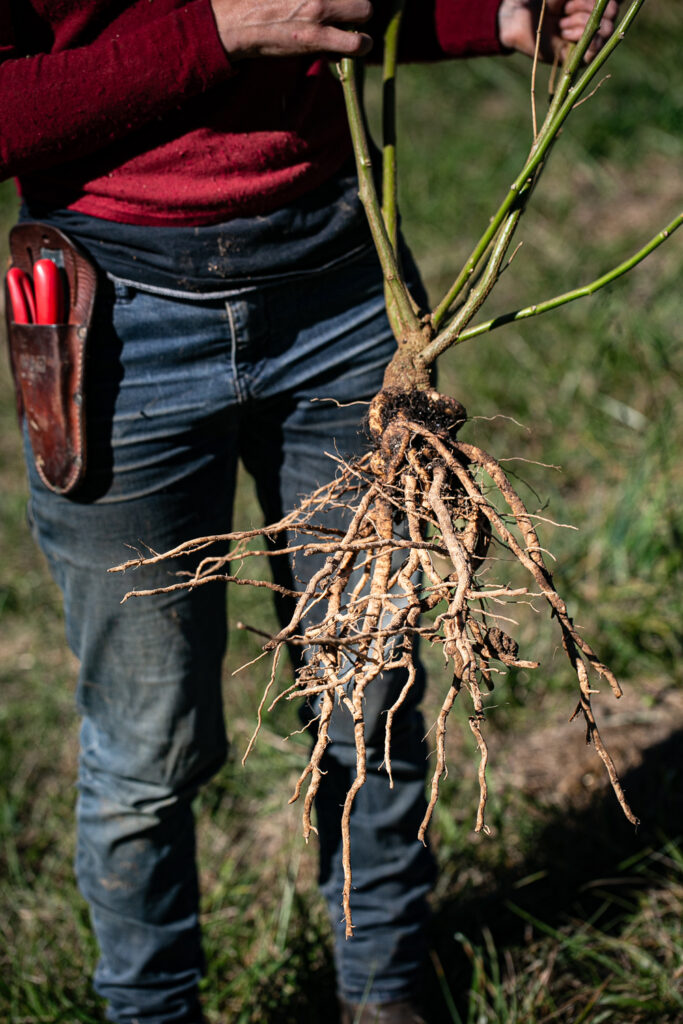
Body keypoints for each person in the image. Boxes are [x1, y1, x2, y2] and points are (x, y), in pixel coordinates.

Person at [0, 2, 617, 1021]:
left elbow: (336, 9)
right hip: (118, 319)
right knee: (147, 742)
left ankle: (385, 990)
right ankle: (148, 1009)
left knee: (370, 692)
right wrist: (220, 31)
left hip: (339, 288)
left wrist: (494, 18)